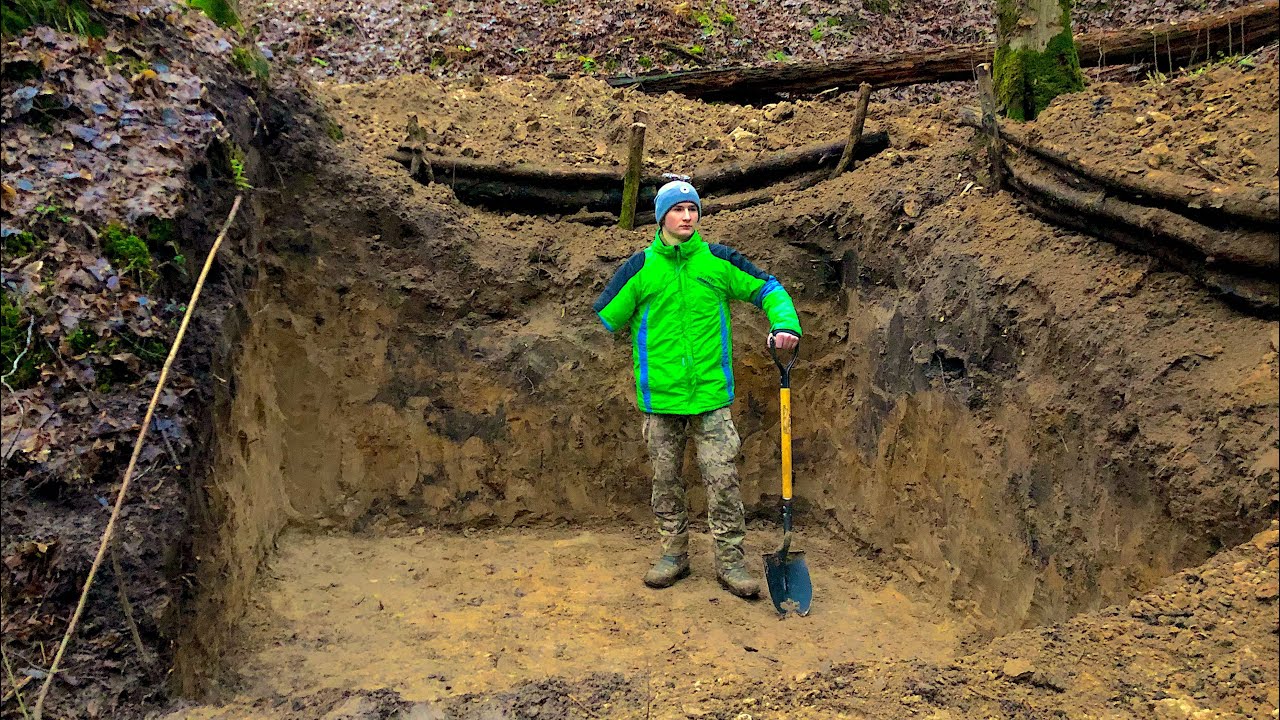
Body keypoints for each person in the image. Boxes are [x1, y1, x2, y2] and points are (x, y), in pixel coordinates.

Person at [592, 180, 802, 598]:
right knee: (666, 480)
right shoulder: (640, 268)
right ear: (661, 217)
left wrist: (785, 325)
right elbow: (607, 315)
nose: (687, 216)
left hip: (711, 398)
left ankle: (730, 561)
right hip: (661, 400)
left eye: (693, 209)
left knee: (722, 479)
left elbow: (769, 288)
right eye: (678, 209)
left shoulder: (718, 262)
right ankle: (674, 554)